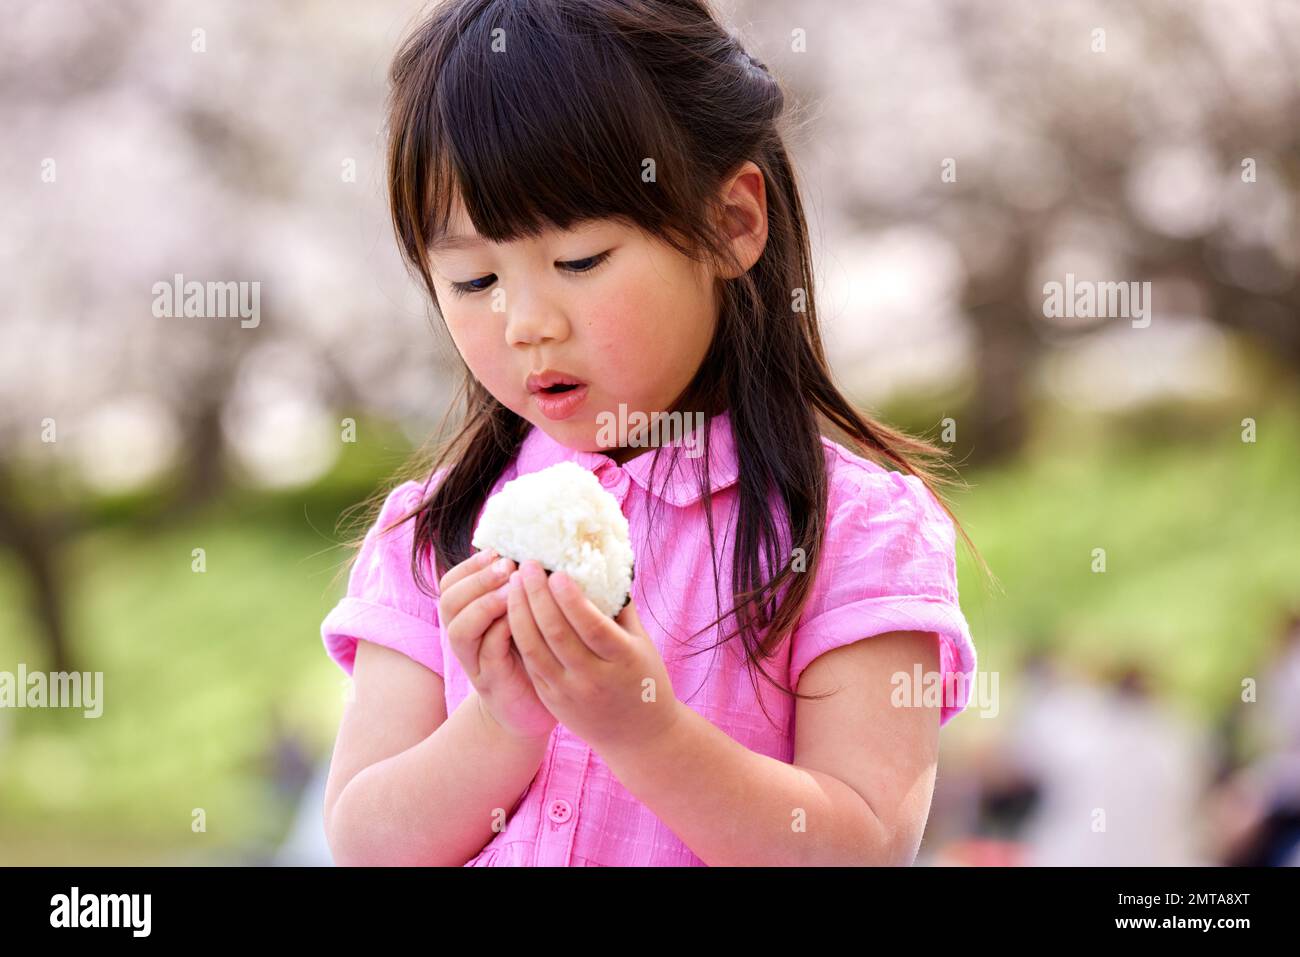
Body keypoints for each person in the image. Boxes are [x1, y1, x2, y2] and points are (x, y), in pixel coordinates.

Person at [318, 0, 988, 867]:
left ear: (731, 222)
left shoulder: (851, 531)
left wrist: (646, 730)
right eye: (475, 276)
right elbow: (366, 845)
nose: (525, 322)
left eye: (580, 261)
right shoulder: (439, 534)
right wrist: (501, 721)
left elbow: (856, 846)